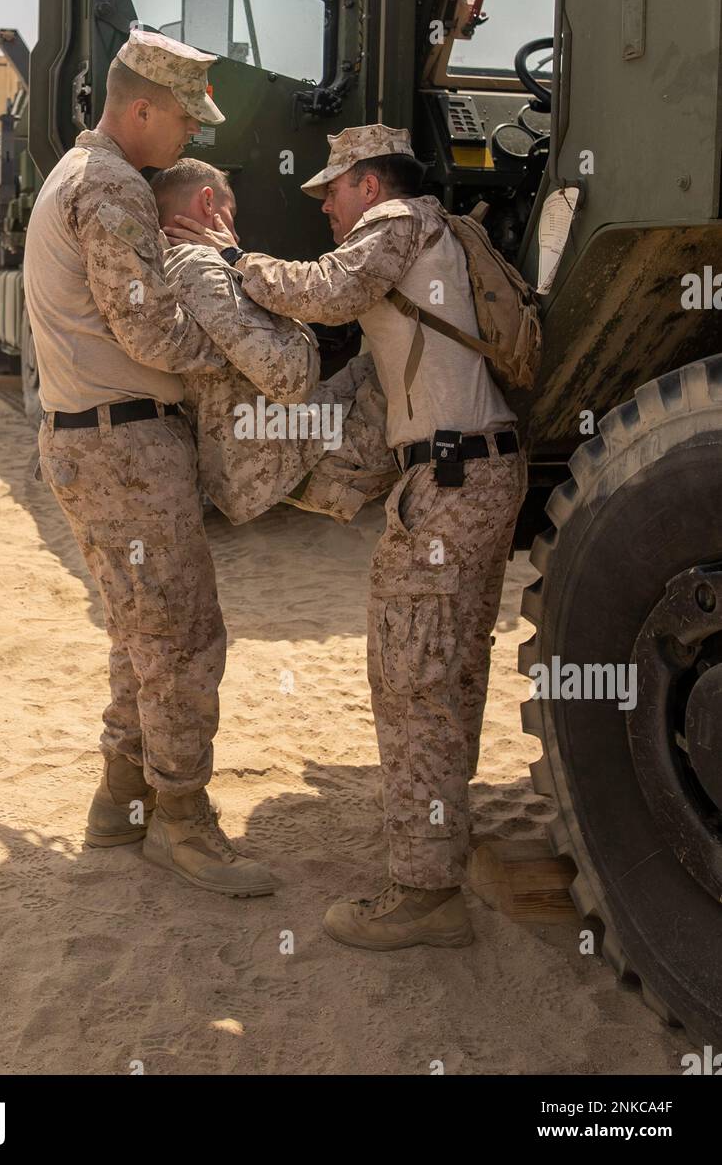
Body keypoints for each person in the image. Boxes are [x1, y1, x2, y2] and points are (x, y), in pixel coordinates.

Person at [164, 125, 528, 947]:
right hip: (478, 472)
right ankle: (444, 843)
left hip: (453, 481)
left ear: (369, 182)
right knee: (452, 665)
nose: (325, 204)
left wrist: (230, 261)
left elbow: (322, 292)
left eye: (331, 188)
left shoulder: (396, 221)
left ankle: (426, 894)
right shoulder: (430, 236)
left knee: (412, 675)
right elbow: (360, 388)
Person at [23, 30, 275, 898]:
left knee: (141, 635)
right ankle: (182, 820)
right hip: (123, 445)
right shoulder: (111, 186)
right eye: (184, 121)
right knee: (183, 636)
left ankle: (120, 803)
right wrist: (245, 341)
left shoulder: (80, 175)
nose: (191, 140)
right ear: (140, 109)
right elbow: (152, 332)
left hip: (97, 438)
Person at [151, 158, 397, 528]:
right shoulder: (199, 268)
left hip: (282, 446)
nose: (235, 226)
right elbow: (292, 378)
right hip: (292, 458)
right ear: (207, 203)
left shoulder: (172, 266)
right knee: (416, 379)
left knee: (379, 364)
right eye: (229, 212)